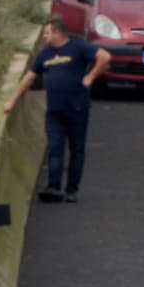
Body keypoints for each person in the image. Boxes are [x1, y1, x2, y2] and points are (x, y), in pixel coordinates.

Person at [30, 21, 112, 201]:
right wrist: (11, 101)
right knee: (55, 148)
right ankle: (53, 187)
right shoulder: (45, 54)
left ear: (58, 32)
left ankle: (72, 189)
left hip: (77, 108)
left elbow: (104, 56)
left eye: (47, 33)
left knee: (76, 149)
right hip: (54, 110)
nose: (44, 37)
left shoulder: (77, 47)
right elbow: (30, 76)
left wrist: (90, 77)